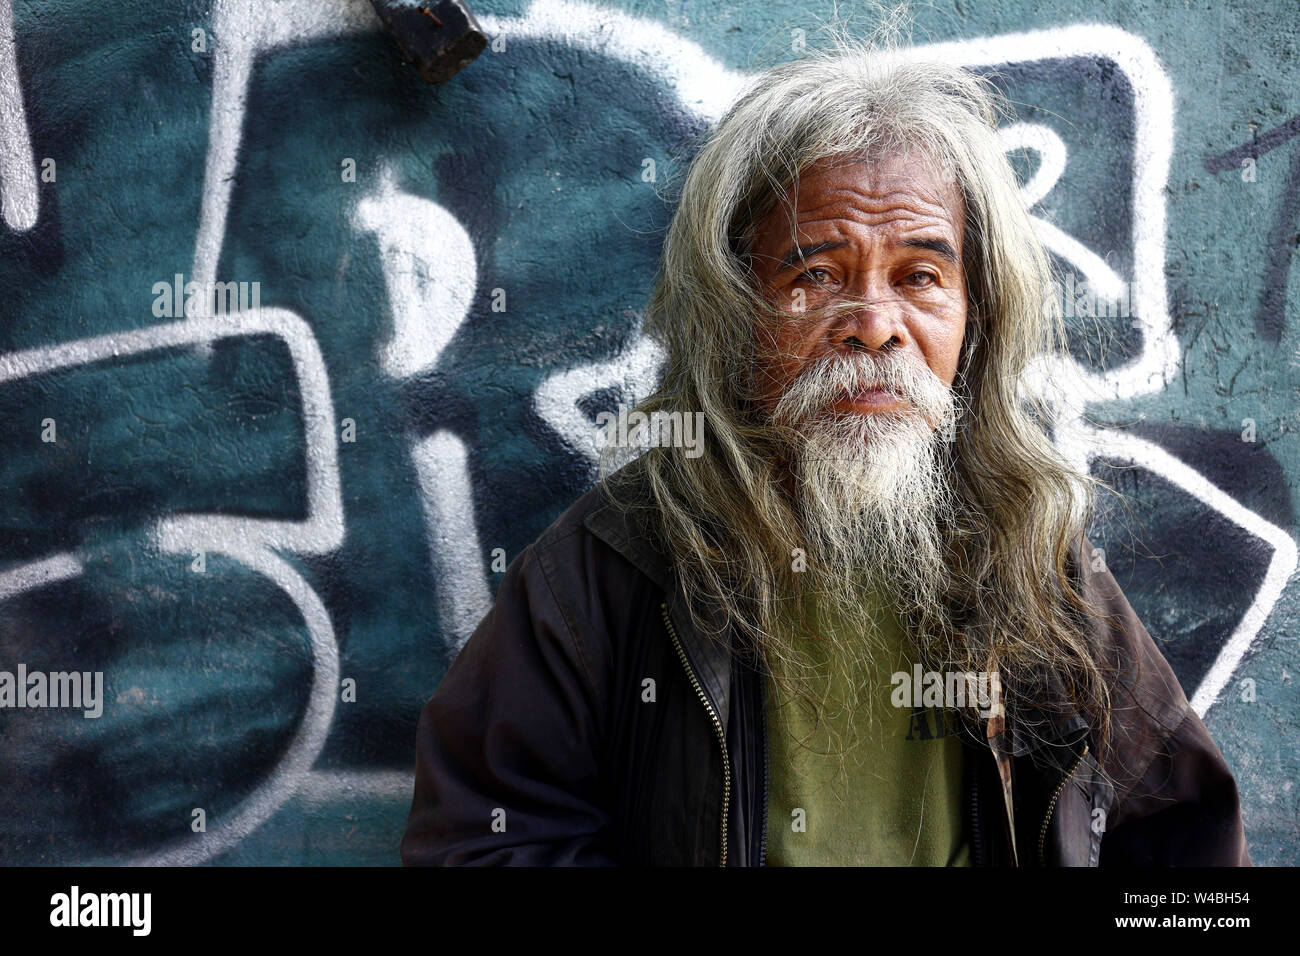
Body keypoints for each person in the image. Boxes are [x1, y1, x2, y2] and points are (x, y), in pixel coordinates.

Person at [400, 40, 1251, 866]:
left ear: (975, 315)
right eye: (815, 275)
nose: (875, 325)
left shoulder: (1033, 553)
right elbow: (481, 841)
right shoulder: (616, 565)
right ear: (732, 313)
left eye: (920, 276)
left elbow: (1186, 837)